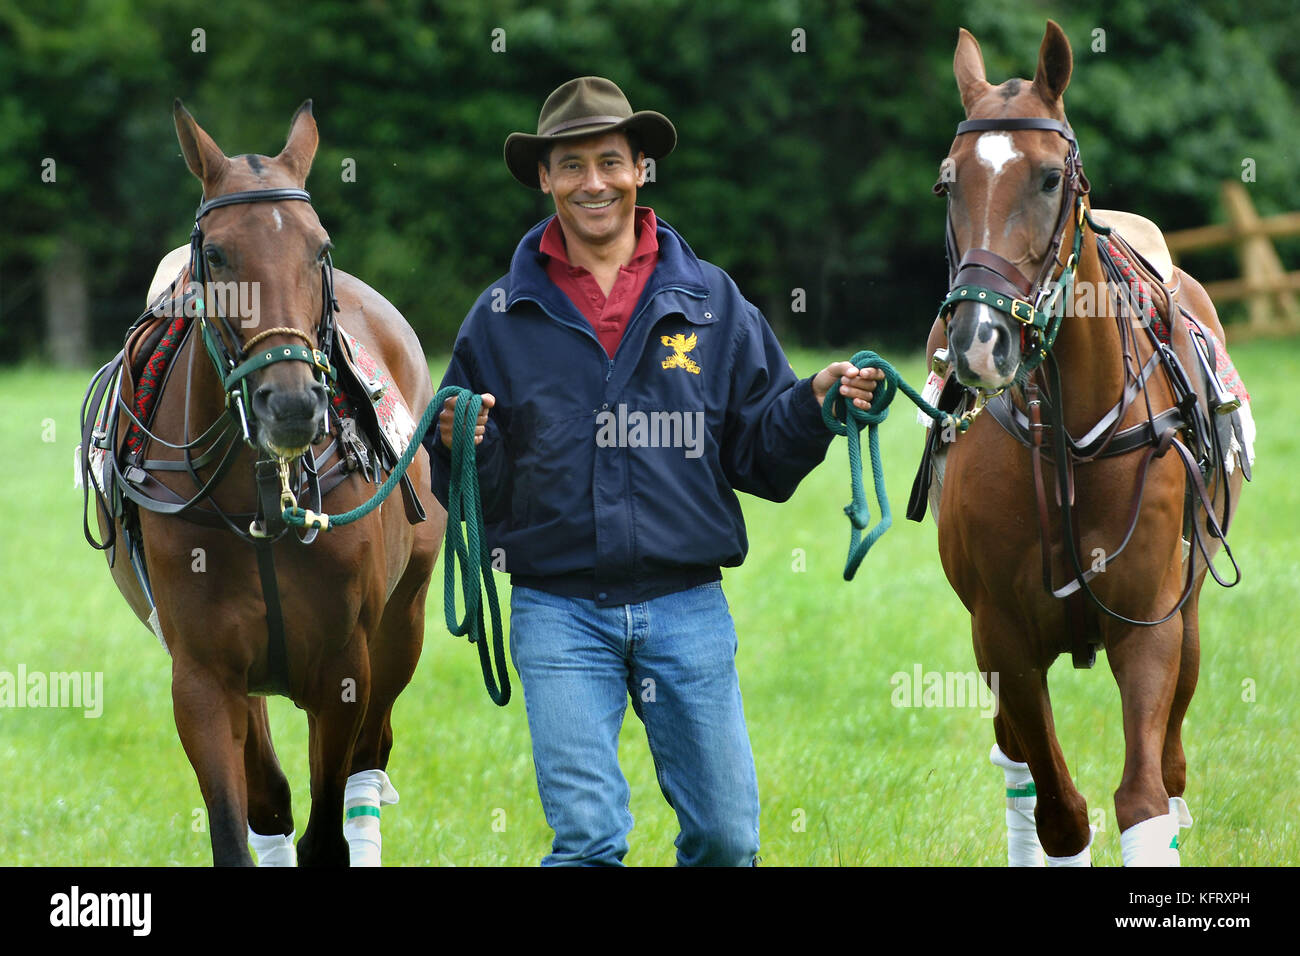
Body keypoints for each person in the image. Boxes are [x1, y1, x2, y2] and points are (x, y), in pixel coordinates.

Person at [424, 76, 882, 866]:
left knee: (727, 840)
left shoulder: (711, 302)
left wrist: (813, 404)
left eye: (610, 161)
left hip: (686, 607)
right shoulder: (498, 316)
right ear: (544, 178)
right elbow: (468, 491)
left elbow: (757, 458)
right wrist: (466, 444)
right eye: (571, 166)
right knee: (590, 840)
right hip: (558, 613)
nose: (592, 183)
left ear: (642, 170)